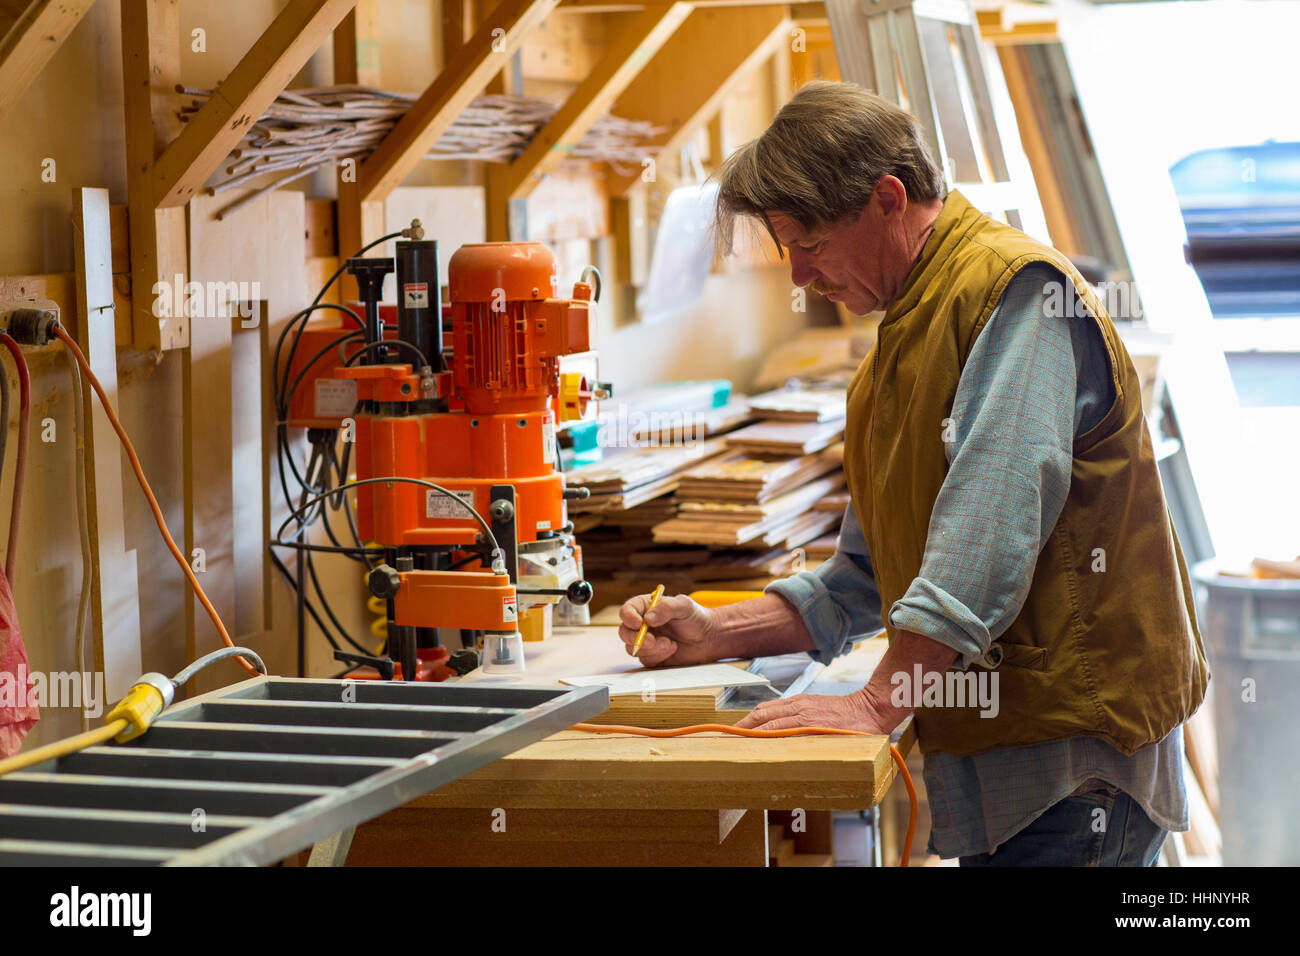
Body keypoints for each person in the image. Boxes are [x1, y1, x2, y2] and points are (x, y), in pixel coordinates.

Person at [616, 81, 1209, 867]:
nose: (797, 277)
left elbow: (985, 535)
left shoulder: (1015, 294)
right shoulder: (906, 329)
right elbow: (868, 578)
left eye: (810, 245)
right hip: (1015, 762)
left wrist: (876, 701)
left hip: (1073, 768)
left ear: (888, 198)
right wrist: (717, 634)